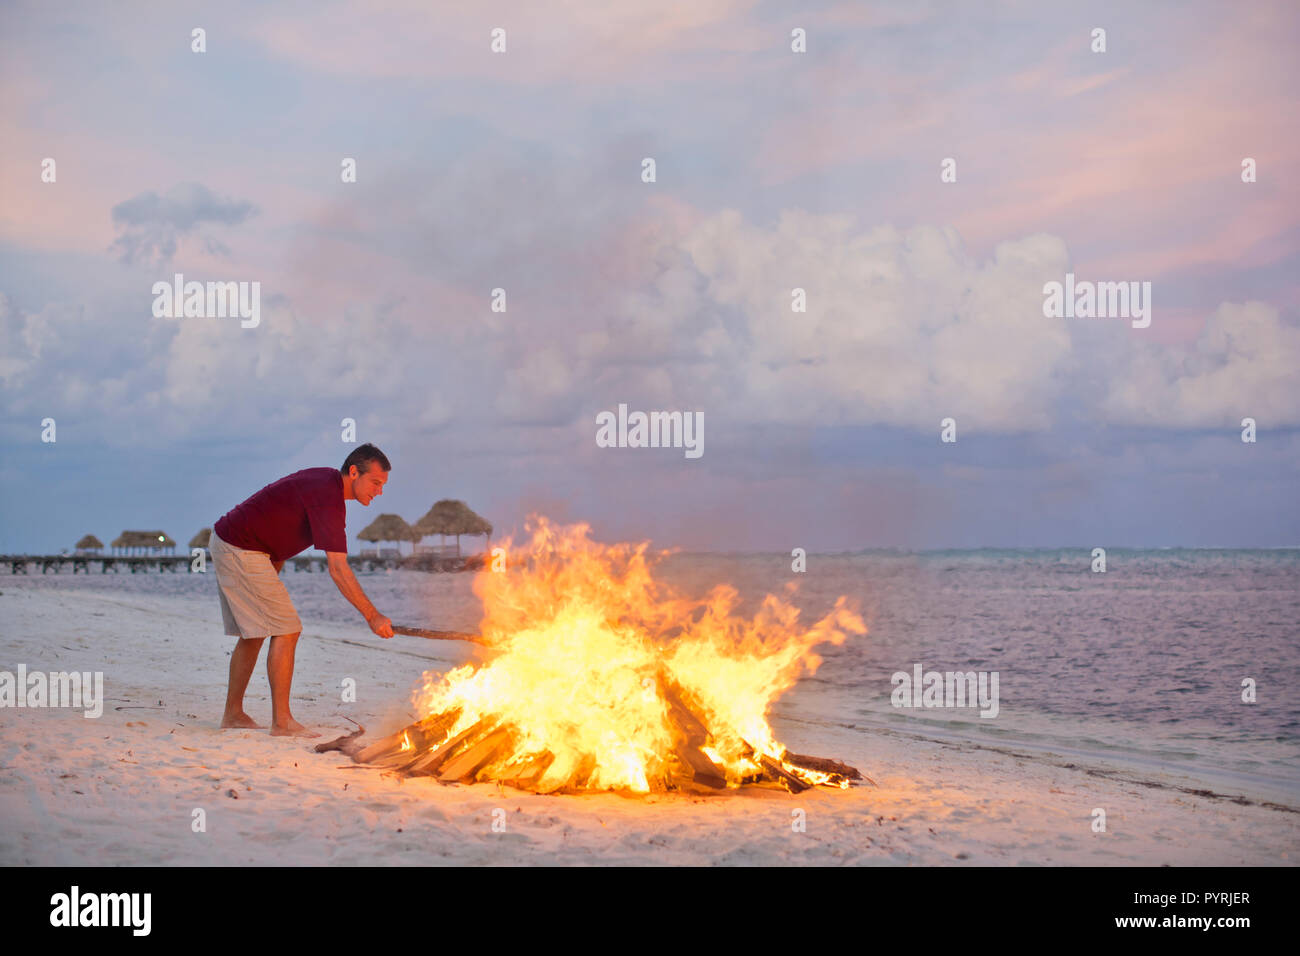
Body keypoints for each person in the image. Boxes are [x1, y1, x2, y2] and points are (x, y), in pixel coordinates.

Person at [210, 443, 396, 737]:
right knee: (287, 629)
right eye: (375, 482)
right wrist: (372, 616)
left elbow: (276, 524)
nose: (379, 491)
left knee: (256, 631)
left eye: (382, 485)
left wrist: (271, 575)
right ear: (353, 472)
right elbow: (338, 569)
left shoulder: (326, 485)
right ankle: (282, 722)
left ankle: (233, 714)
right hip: (241, 547)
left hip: (235, 542)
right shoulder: (328, 497)